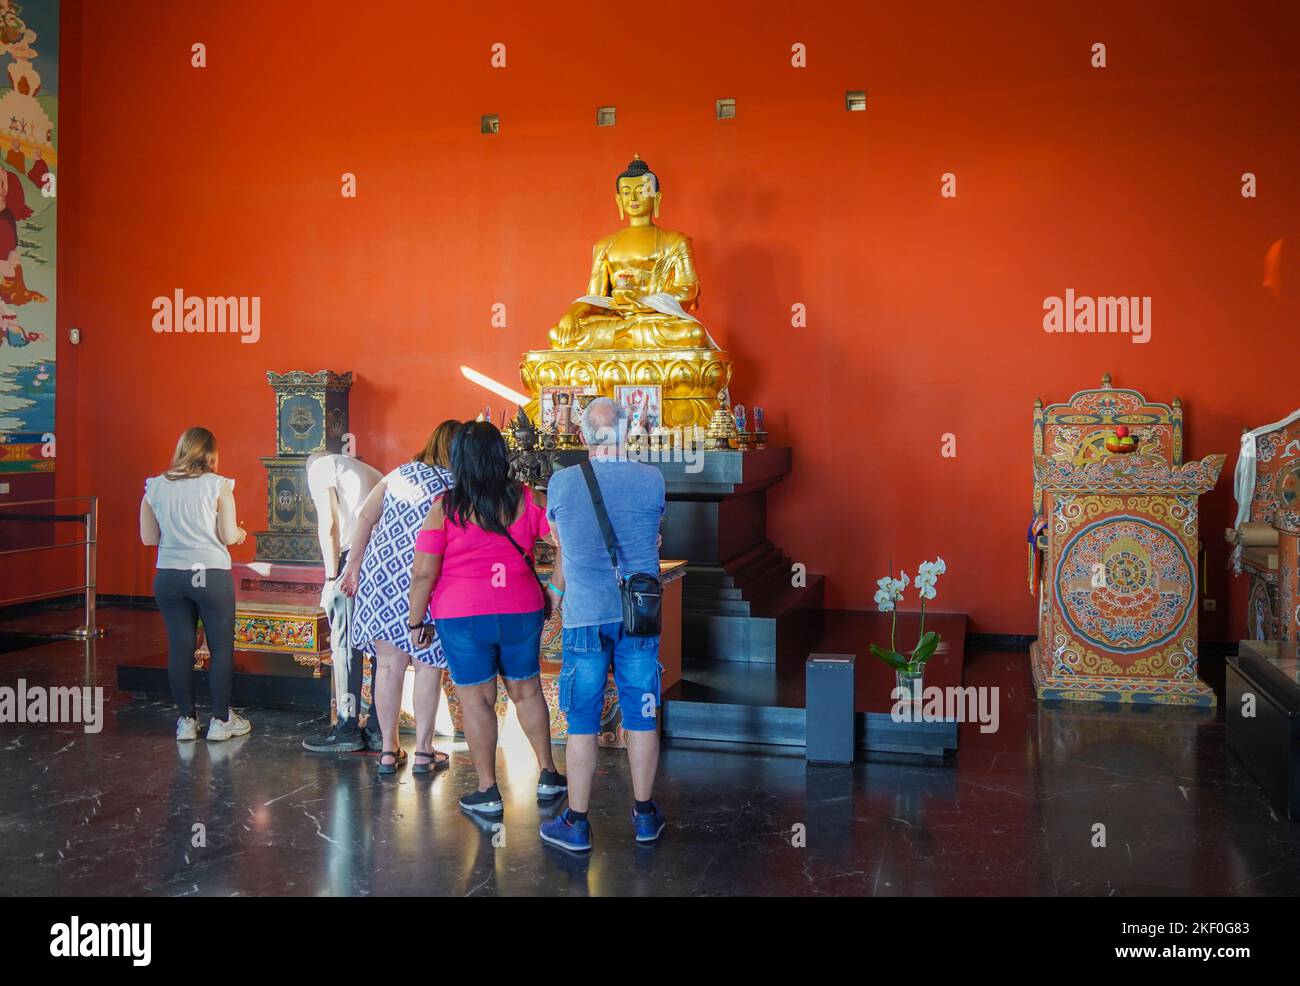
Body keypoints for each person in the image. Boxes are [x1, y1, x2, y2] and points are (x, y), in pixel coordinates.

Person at [408, 421, 566, 817]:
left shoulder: (445, 507)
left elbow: (424, 573)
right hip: (520, 608)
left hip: (462, 615)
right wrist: (557, 590)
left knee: (477, 700)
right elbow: (567, 541)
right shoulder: (527, 498)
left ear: (459, 460)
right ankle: (548, 774)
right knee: (527, 691)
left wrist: (415, 621)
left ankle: (488, 791)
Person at [539, 398, 666, 852]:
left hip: (585, 617)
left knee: (582, 723)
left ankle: (576, 822)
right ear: (628, 433)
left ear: (581, 436)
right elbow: (653, 537)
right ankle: (645, 815)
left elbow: (560, 543)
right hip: (639, 617)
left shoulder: (561, 484)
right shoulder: (652, 479)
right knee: (642, 714)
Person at [342, 421, 459, 774]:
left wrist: (354, 564)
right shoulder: (457, 484)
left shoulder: (399, 473)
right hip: (428, 578)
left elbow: (365, 516)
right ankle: (424, 751)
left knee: (389, 665)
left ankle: (389, 752)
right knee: (428, 665)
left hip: (382, 575)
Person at [139, 427, 250, 742]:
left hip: (170, 575)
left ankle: (186, 721)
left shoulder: (155, 487)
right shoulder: (217, 486)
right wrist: (239, 535)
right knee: (219, 646)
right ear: (211, 454)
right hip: (208, 572)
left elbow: (149, 538)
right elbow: (228, 535)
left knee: (180, 647)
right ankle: (221, 720)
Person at [300, 450, 383, 753]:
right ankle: (378, 729)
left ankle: (346, 727)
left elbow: (330, 524)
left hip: (354, 557)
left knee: (345, 642)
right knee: (379, 645)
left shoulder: (319, 466)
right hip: (384, 556)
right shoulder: (361, 468)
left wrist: (331, 576)